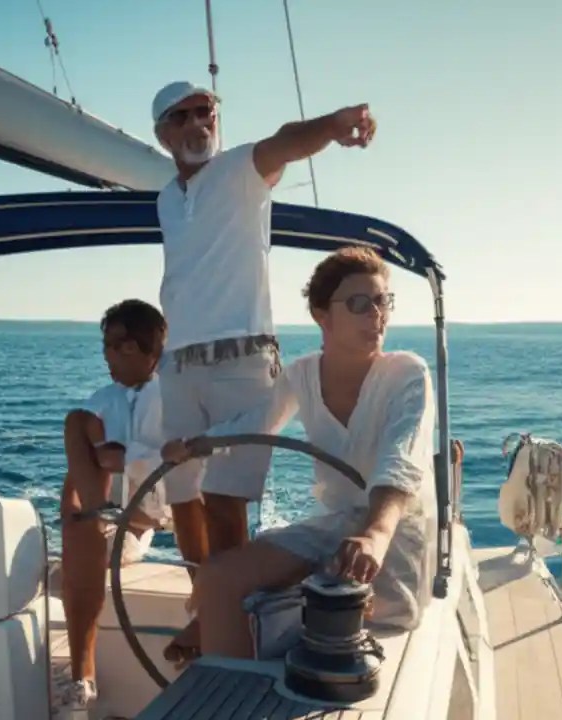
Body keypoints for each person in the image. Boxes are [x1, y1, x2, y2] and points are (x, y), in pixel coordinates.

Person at [150, 80, 379, 660]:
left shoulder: (239, 171)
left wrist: (331, 125)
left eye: (207, 111)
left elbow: (283, 143)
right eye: (183, 116)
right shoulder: (164, 199)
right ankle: (209, 608)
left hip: (242, 359)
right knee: (183, 499)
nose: (198, 122)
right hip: (178, 363)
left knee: (225, 500)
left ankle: (227, 630)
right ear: (163, 133)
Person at [161, 247, 437, 658]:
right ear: (322, 316)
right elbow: (258, 421)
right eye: (360, 303)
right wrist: (198, 444)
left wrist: (375, 535)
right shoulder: (303, 374)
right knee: (217, 580)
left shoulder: (408, 373)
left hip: (392, 535)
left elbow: (401, 459)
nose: (377, 315)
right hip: (333, 527)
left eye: (383, 301)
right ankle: (228, 695)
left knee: (365, 616)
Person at [55, 299, 208, 709]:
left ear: (145, 349)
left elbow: (190, 454)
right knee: (81, 533)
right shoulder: (105, 399)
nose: (106, 355)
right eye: (105, 346)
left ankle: (209, 634)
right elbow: (82, 465)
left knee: (86, 531)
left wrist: (127, 456)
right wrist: (73, 509)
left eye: (114, 347)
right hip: (121, 517)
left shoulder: (177, 395)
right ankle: (82, 678)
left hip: (168, 511)